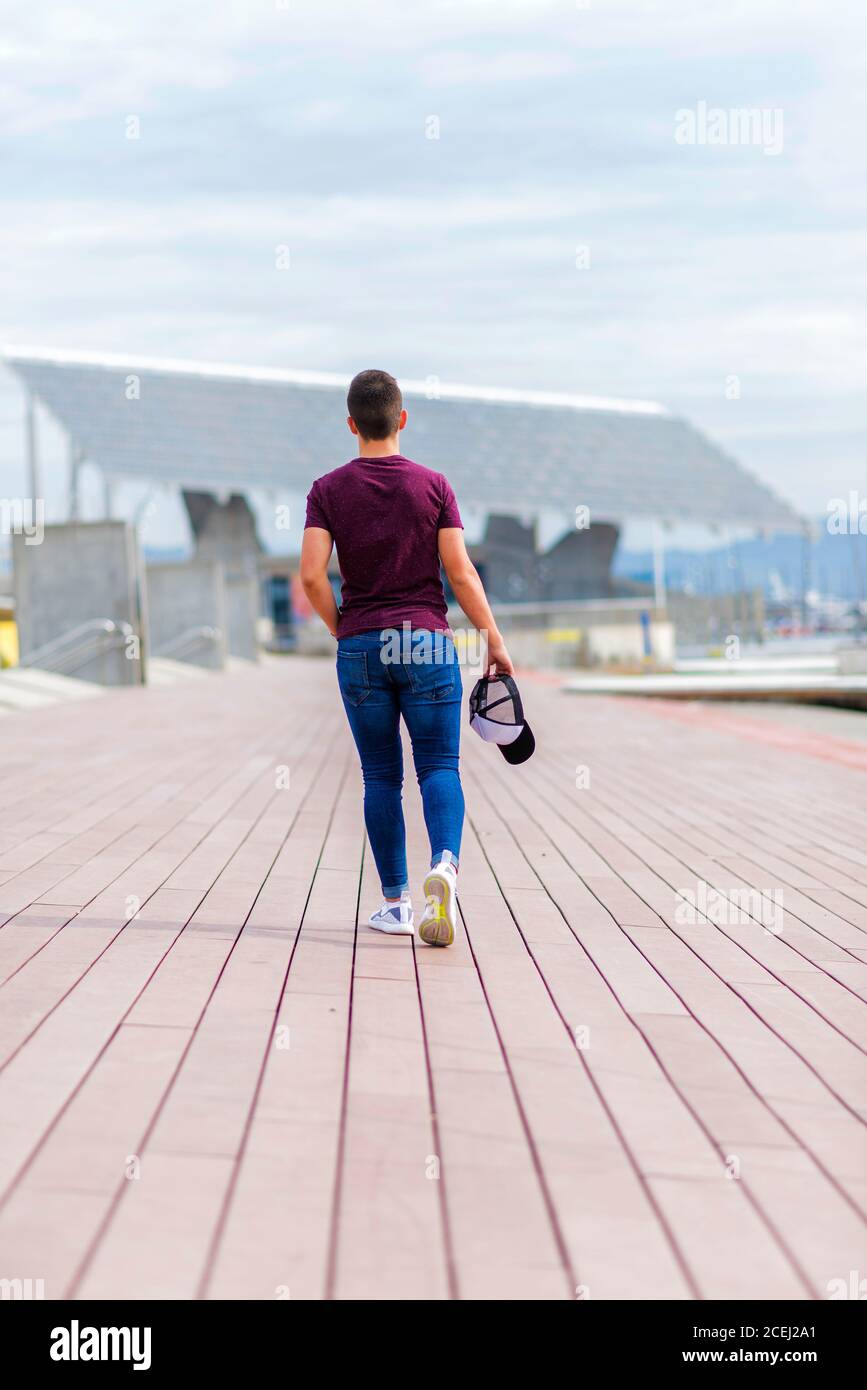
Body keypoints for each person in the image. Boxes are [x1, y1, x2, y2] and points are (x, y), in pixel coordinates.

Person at [300, 368, 513, 947]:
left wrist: (344, 628)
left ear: (351, 425)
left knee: (380, 777)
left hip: (364, 645)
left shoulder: (327, 490)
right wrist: (492, 636)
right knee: (439, 767)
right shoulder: (433, 486)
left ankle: (395, 905)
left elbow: (312, 576)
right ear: (402, 419)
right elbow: (460, 572)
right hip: (426, 641)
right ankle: (444, 866)